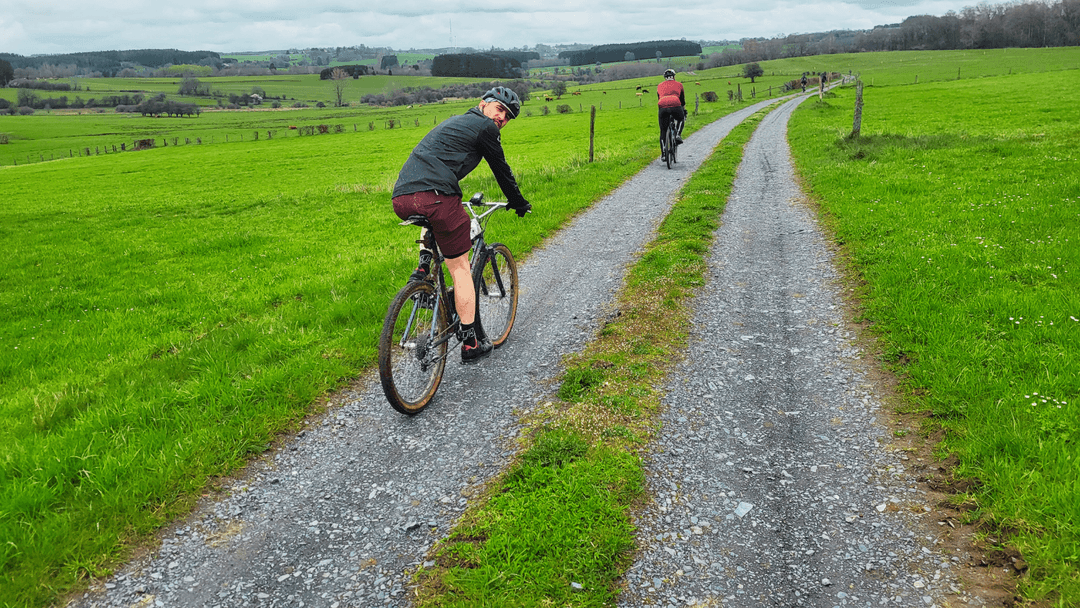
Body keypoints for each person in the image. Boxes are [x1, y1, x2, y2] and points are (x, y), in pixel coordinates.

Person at [391, 86, 531, 363]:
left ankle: (422, 266)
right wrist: (518, 201)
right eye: (500, 110)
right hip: (436, 197)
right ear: (483, 104)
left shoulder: (455, 122)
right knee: (460, 268)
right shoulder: (485, 128)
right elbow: (501, 169)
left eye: (508, 117)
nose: (502, 118)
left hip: (403, 197)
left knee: (434, 216)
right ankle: (470, 343)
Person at [656, 68, 686, 162]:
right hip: (676, 104)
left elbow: (659, 97)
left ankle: (664, 154)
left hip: (662, 106)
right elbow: (682, 100)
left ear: (665, 78)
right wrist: (683, 110)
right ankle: (677, 135)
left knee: (663, 130)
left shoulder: (660, 85)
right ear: (674, 76)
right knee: (681, 119)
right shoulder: (679, 84)